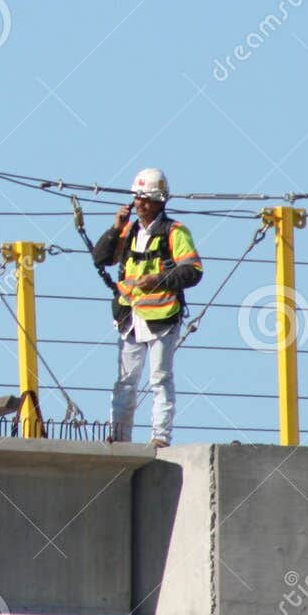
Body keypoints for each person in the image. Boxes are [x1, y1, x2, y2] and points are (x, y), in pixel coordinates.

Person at [92, 168, 203, 447]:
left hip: (162, 317)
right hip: (130, 316)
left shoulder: (175, 232)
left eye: (146, 199)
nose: (140, 204)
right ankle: (119, 439)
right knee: (125, 382)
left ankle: (160, 438)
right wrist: (116, 228)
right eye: (137, 198)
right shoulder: (128, 231)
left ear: (159, 201)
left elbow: (193, 271)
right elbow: (101, 258)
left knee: (160, 379)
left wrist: (160, 279)